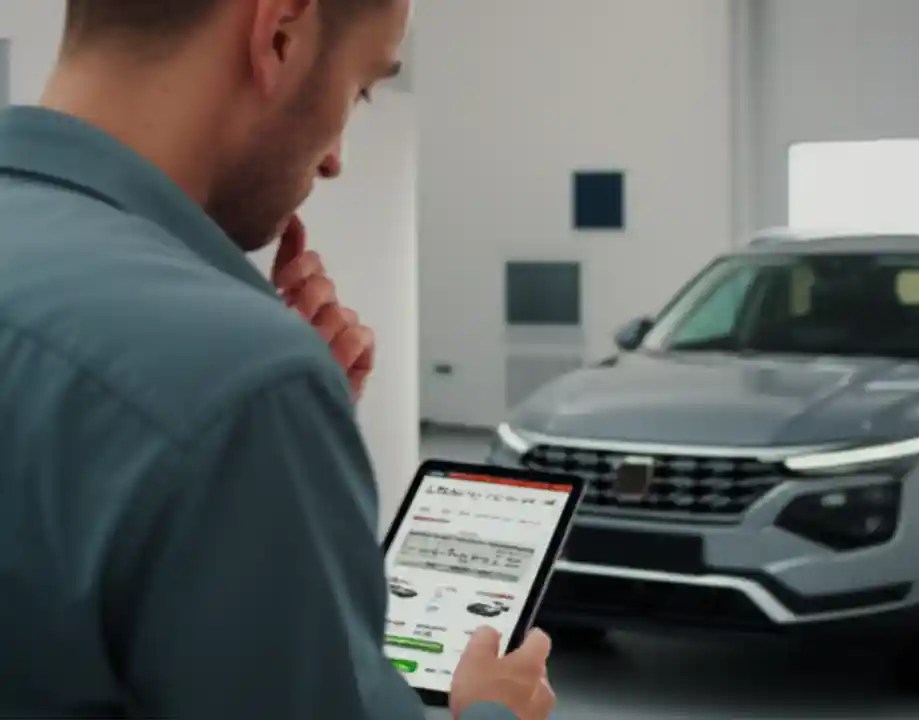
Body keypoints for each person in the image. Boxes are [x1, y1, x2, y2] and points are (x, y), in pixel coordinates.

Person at [0, 1, 556, 718]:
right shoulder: (241, 381)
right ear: (280, 34)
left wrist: (270, 470)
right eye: (360, 89)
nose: (335, 159)